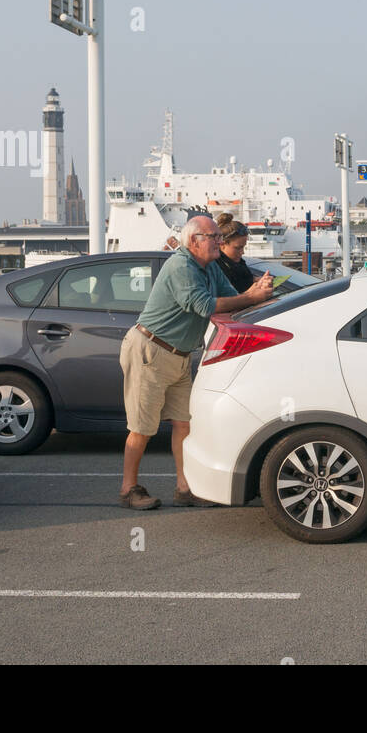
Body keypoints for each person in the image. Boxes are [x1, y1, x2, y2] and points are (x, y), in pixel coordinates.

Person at [118, 215, 273, 510]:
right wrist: (251, 298)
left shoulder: (209, 266)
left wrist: (258, 295)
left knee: (184, 424)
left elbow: (232, 298)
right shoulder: (181, 266)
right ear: (194, 241)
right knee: (142, 428)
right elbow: (203, 306)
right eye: (213, 236)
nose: (219, 241)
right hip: (151, 350)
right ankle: (129, 489)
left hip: (178, 354)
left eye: (218, 236)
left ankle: (185, 487)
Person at [212, 212, 254, 293]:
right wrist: (251, 294)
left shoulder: (237, 263)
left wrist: (258, 281)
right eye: (238, 248)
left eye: (243, 247)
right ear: (222, 244)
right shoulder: (215, 268)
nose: (242, 252)